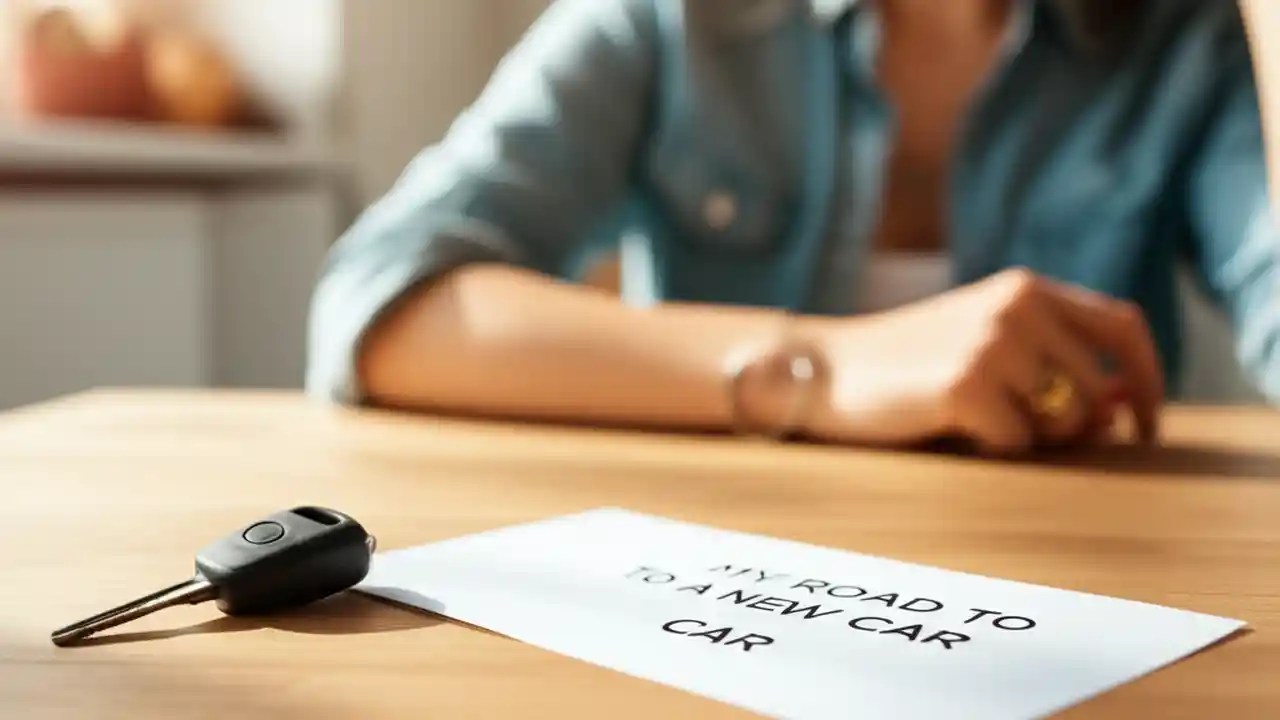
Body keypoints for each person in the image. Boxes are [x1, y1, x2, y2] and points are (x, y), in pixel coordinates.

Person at [307, 0, 1279, 454]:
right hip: (734, 598)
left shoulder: (1186, 40)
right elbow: (382, 306)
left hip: (1088, 595)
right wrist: (824, 369)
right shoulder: (668, 19)